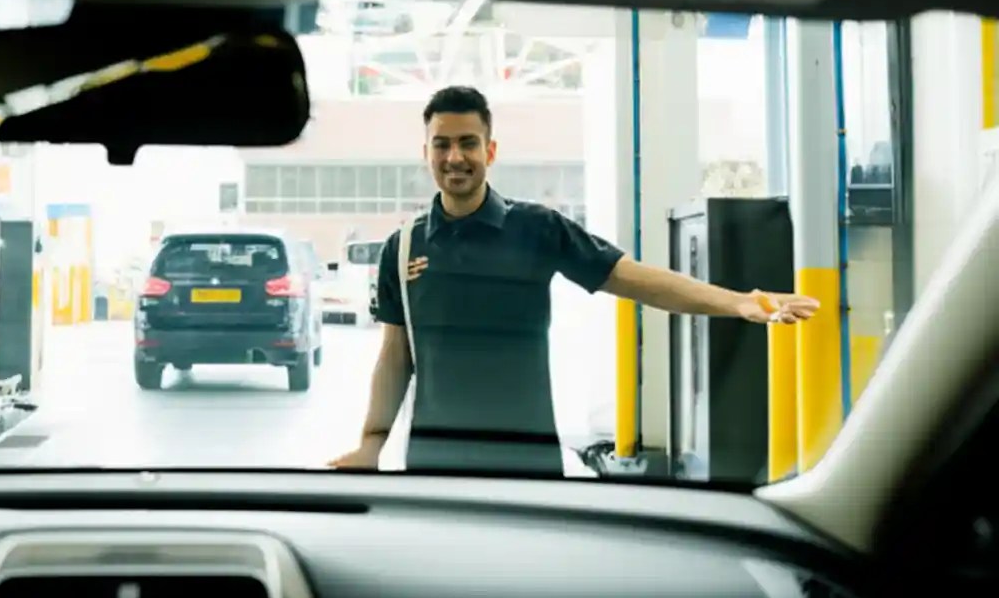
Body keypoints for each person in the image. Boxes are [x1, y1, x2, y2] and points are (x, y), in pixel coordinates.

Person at [329, 86, 819, 473]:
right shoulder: (403, 248)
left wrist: (737, 302)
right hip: (434, 462)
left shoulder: (537, 229)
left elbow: (633, 278)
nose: (455, 157)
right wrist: (371, 445)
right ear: (426, 152)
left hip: (527, 460)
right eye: (442, 144)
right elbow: (394, 357)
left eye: (468, 143)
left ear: (490, 150)